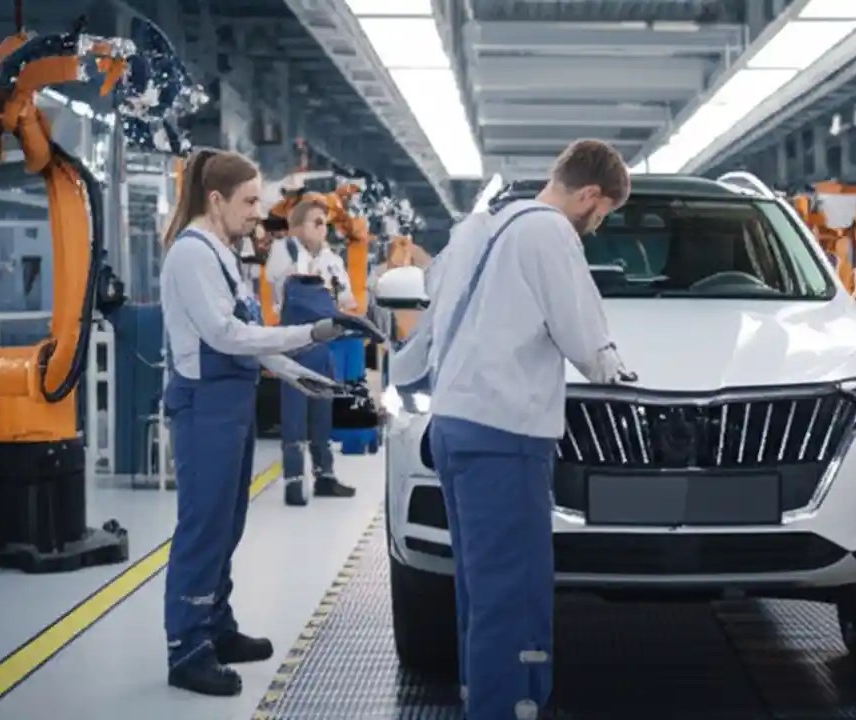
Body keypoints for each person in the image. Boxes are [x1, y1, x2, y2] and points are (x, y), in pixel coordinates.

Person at [399, 139, 637, 719]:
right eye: (603, 213)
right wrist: (614, 370)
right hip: (504, 433)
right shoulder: (550, 233)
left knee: (480, 587)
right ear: (589, 195)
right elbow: (581, 326)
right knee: (514, 589)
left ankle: (480, 696)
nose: (597, 225)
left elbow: (436, 299)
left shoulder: (481, 227)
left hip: (455, 424)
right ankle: (507, 708)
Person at [158, 148, 350, 696]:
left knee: (230, 520)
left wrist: (298, 375)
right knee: (204, 526)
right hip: (204, 406)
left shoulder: (223, 253)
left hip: (232, 401)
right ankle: (187, 648)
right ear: (215, 200)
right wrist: (307, 336)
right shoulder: (192, 255)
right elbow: (225, 336)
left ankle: (216, 626)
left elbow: (249, 331)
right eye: (248, 202)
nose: (256, 214)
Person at [263, 194, 358, 505]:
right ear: (298, 226)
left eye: (325, 224)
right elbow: (278, 277)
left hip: (322, 345)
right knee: (293, 416)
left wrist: (331, 276)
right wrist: (315, 269)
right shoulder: (283, 250)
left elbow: (347, 300)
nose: (324, 230)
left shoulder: (332, 259)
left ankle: (325, 477)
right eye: (317, 223)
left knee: (322, 412)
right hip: (291, 344)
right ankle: (293, 481)